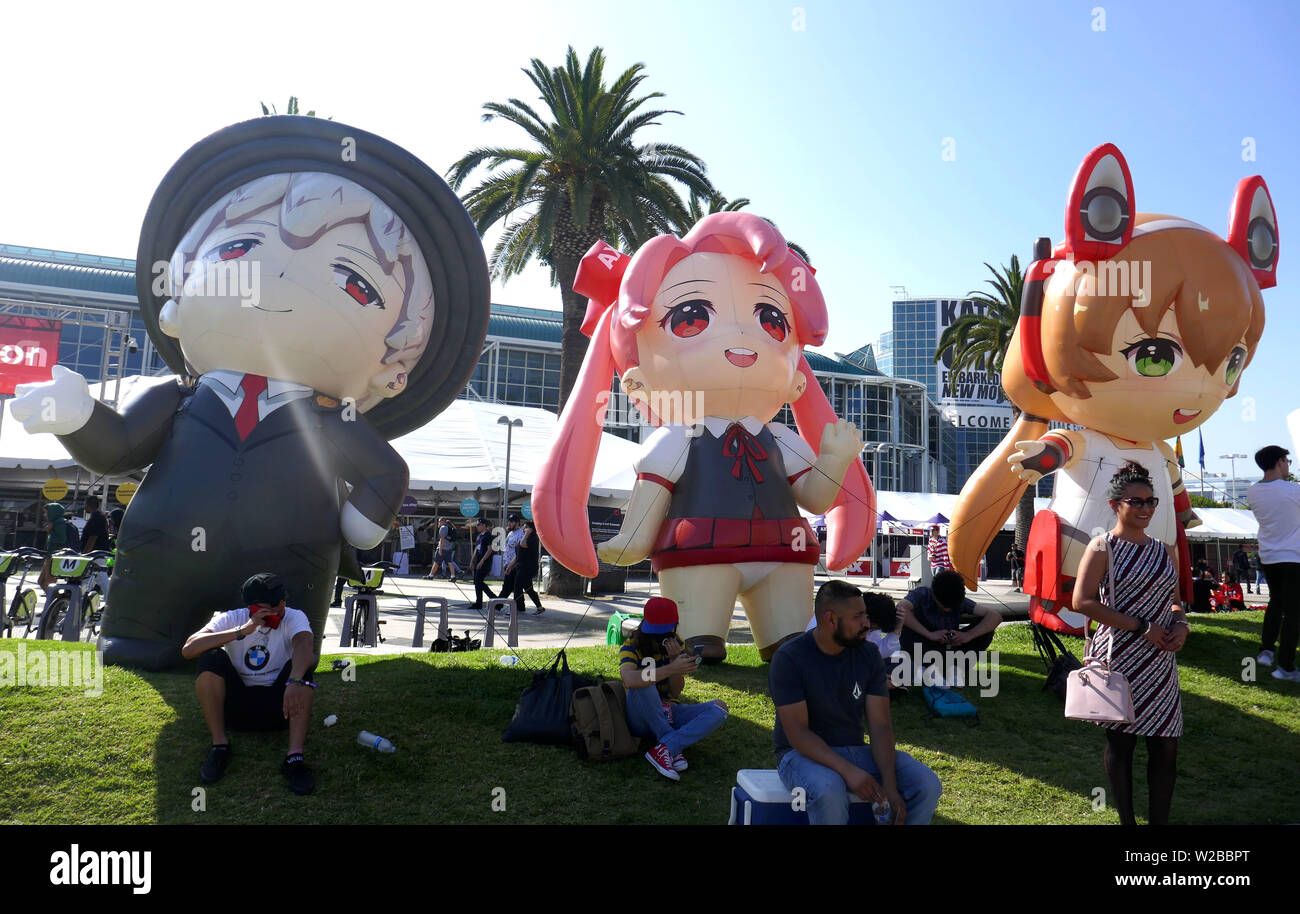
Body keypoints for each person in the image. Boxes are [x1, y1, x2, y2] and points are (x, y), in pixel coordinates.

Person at [7, 117, 490, 671]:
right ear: (178, 301)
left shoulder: (331, 419)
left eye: (355, 283)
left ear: (393, 368)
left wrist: (363, 518)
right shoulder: (178, 398)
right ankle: (142, 637)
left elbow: (384, 470)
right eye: (238, 248)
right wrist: (77, 416)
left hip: (287, 569)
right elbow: (118, 448)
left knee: (274, 657)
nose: (276, 283)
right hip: (161, 558)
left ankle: (273, 662)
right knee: (139, 644)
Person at [771, 579, 942, 825]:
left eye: (865, 615)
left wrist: (890, 785)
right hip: (799, 755)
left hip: (856, 751)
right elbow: (797, 733)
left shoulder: (868, 654)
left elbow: (880, 725)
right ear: (830, 619)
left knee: (926, 784)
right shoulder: (789, 658)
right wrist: (848, 771)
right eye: (858, 616)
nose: (866, 623)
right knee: (829, 790)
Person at [1074, 462, 1187, 826]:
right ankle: (1127, 822)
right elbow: (1083, 601)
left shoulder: (1165, 549)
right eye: (1135, 501)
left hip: (1160, 660)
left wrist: (1181, 625)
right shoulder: (1102, 546)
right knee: (1122, 744)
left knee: (1166, 746)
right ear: (1114, 505)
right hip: (1119, 656)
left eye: (1150, 501)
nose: (1145, 508)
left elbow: (1174, 600)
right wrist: (1142, 627)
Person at [180, 573, 317, 795]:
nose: (280, 607)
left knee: (303, 671)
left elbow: (304, 642)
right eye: (272, 604)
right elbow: (189, 650)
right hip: (238, 708)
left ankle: (294, 757)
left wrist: (294, 680)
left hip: (280, 707)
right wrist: (242, 631)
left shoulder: (293, 616)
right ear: (253, 607)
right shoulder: (232, 618)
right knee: (210, 659)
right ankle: (220, 745)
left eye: (282, 599)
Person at [620, 597, 728, 780]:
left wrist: (674, 661)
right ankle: (671, 743)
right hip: (642, 716)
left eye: (663, 632)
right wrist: (671, 668)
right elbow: (629, 680)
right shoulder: (632, 646)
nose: (657, 637)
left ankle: (667, 747)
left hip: (670, 711)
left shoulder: (677, 645)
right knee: (643, 683)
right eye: (654, 632)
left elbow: (676, 691)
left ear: (673, 628)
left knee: (719, 708)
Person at [1247, 445, 1300, 682]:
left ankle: (1266, 651)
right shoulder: (1293, 490)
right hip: (1293, 557)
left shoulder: (1252, 491)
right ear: (1280, 461)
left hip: (1268, 556)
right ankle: (1285, 667)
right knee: (1294, 614)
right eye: (1287, 461)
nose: (1289, 465)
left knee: (1276, 603)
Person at [899, 569, 1001, 662]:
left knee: (986, 629)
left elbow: (995, 616)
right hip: (923, 645)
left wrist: (968, 635)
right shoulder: (922, 594)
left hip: (949, 647)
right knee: (907, 631)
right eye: (943, 606)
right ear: (934, 594)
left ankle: (954, 664)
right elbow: (901, 608)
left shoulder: (958, 600)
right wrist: (929, 635)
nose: (947, 609)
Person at [38, 502, 77, 590]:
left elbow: (61, 539)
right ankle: (55, 600)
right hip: (49, 555)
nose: (45, 515)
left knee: (49, 581)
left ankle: (54, 601)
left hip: (54, 556)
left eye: (46, 512)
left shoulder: (59, 523)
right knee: (41, 581)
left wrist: (50, 531)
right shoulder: (55, 522)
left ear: (53, 512)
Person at [510, 520, 545, 615]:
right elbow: (518, 554)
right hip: (521, 566)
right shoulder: (525, 537)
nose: (523, 529)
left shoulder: (532, 539)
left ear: (531, 529)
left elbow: (522, 544)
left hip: (527, 568)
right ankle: (540, 607)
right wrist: (511, 565)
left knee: (517, 587)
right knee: (528, 588)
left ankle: (516, 609)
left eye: (525, 527)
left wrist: (526, 534)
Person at [498, 516, 525, 613]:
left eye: (512, 522)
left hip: (514, 565)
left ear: (517, 523)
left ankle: (498, 605)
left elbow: (519, 552)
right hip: (508, 564)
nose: (509, 523)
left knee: (507, 587)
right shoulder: (510, 533)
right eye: (509, 521)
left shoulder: (521, 534)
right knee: (514, 587)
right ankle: (520, 606)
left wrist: (511, 565)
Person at [468, 518, 496, 608]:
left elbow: (490, 549)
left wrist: (482, 561)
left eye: (479, 525)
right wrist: (472, 561)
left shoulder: (488, 535)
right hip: (478, 561)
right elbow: (476, 549)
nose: (477, 526)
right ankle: (479, 602)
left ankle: (495, 599)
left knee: (478, 581)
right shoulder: (479, 536)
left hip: (485, 562)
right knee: (477, 582)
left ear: (484, 525)